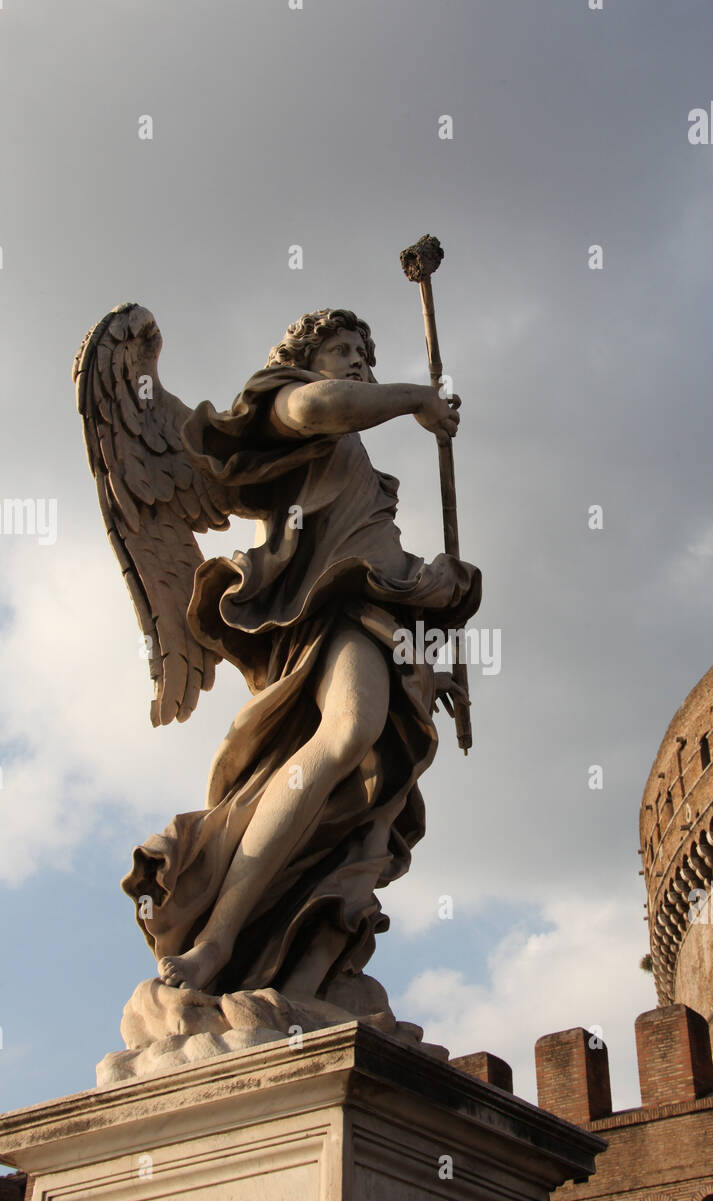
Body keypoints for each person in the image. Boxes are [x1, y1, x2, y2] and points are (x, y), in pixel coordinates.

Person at [122, 309, 481, 1007]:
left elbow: (380, 560)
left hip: (370, 627)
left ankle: (298, 969)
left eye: (362, 354)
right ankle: (219, 938)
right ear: (305, 356)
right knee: (346, 735)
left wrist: (423, 648)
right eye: (341, 348)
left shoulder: (355, 464)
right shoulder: (286, 403)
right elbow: (317, 406)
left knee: (365, 803)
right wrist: (413, 398)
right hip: (323, 617)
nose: (354, 361)